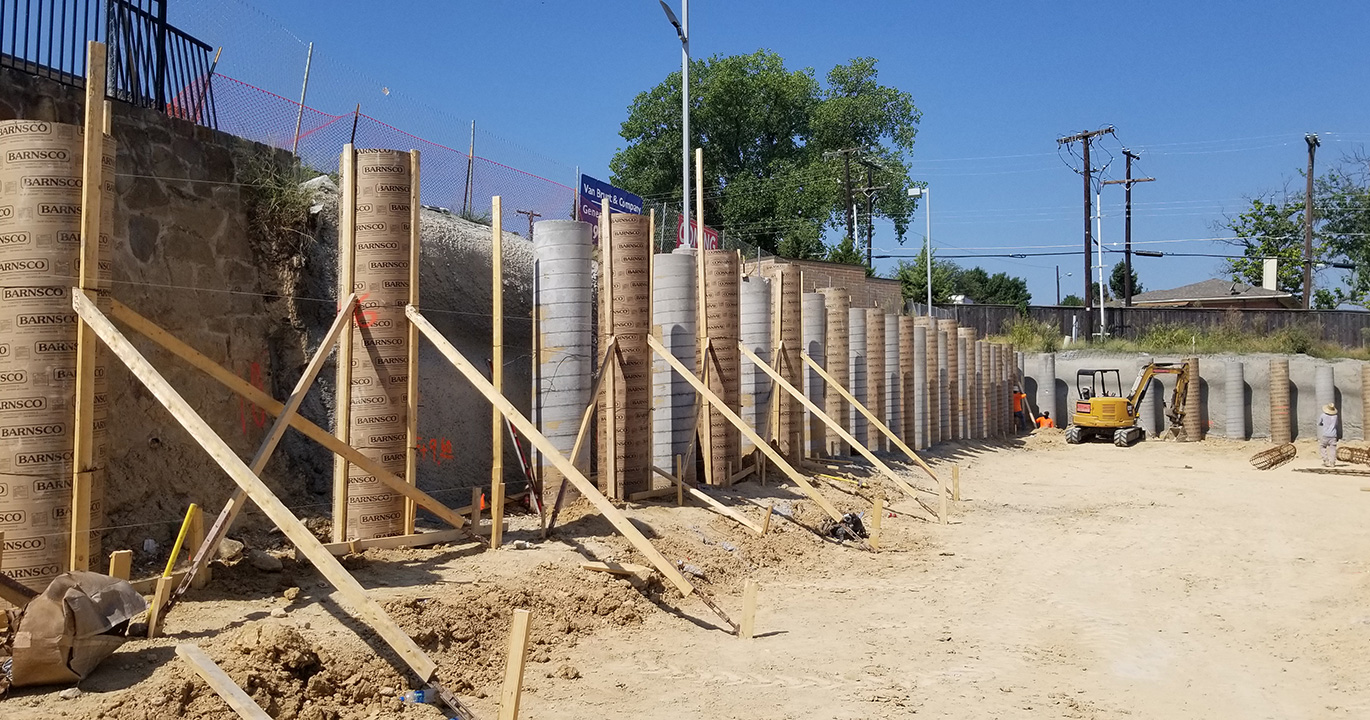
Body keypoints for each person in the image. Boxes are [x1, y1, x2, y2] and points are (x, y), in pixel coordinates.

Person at [1318, 402, 1339, 467]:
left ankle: (1326, 460)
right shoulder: (1335, 416)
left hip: (1325, 434)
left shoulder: (1323, 415)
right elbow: (1336, 424)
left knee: (1322, 446)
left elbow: (1319, 423)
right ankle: (1332, 462)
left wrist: (1322, 424)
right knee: (1332, 449)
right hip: (1333, 435)